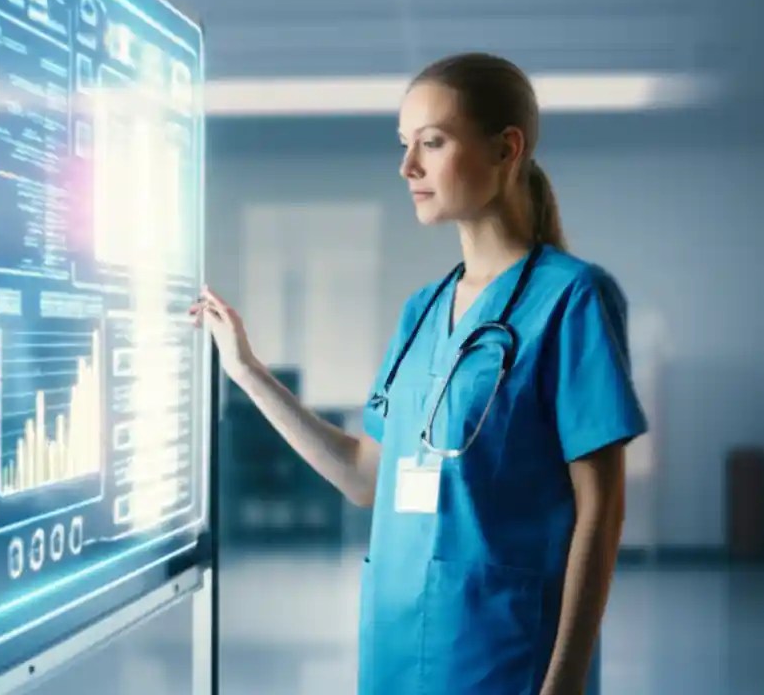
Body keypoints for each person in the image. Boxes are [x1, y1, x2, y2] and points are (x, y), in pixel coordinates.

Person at [191, 52, 647, 695]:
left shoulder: (573, 299)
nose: (408, 167)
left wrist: (565, 680)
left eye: (431, 143)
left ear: (505, 149)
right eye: (406, 146)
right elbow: (365, 475)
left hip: (504, 649)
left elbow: (601, 509)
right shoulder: (423, 309)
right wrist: (246, 370)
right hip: (396, 644)